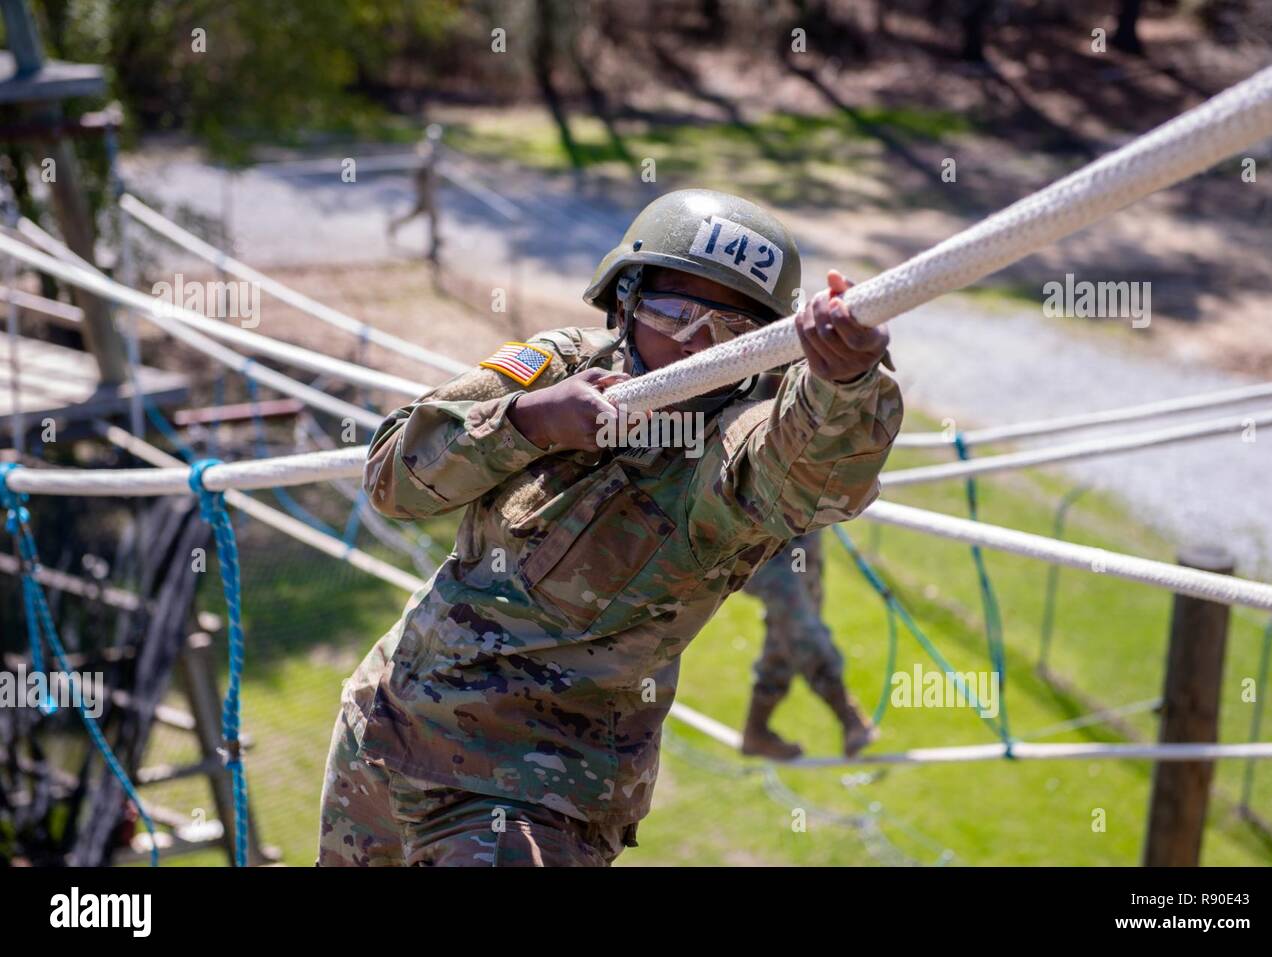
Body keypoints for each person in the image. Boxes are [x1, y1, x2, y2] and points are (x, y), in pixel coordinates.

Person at [317, 188, 903, 866]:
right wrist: (529, 423)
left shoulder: (732, 442)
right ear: (626, 301)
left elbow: (810, 474)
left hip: (531, 796)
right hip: (382, 733)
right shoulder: (560, 365)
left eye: (733, 330)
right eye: (675, 314)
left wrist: (845, 383)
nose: (697, 344)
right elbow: (391, 479)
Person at [739, 526, 878, 760]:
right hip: (763, 534)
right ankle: (848, 716)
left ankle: (756, 730)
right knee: (798, 626)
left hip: (801, 537)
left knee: (789, 627)